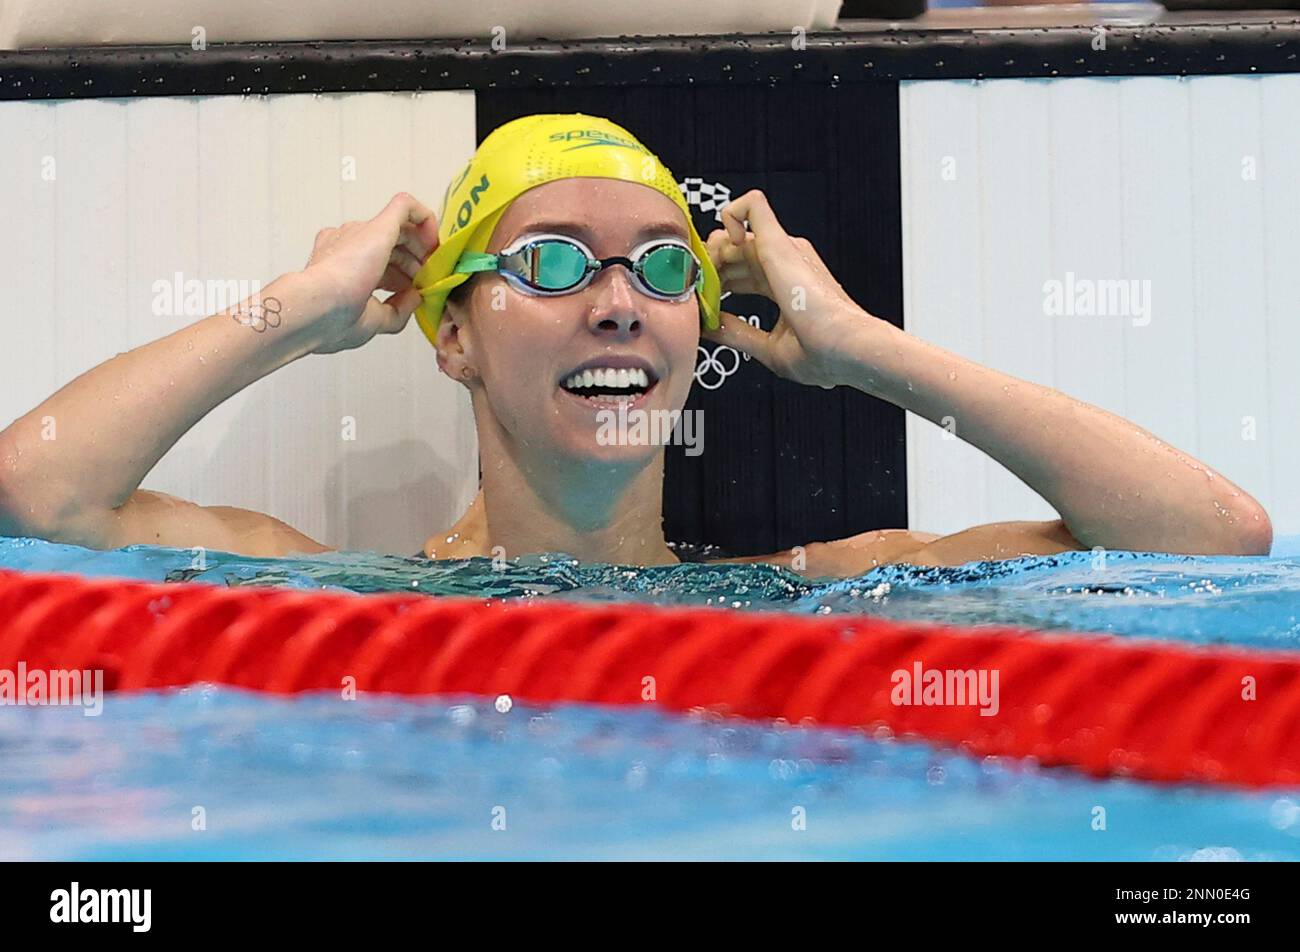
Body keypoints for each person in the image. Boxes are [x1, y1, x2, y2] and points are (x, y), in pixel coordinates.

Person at [0, 114, 1271, 578]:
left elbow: (1210, 536)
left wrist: (869, 350)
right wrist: (296, 304)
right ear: (453, 335)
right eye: (551, 260)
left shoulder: (803, 595)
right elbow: (37, 494)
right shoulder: (341, 590)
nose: (617, 303)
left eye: (663, 267)